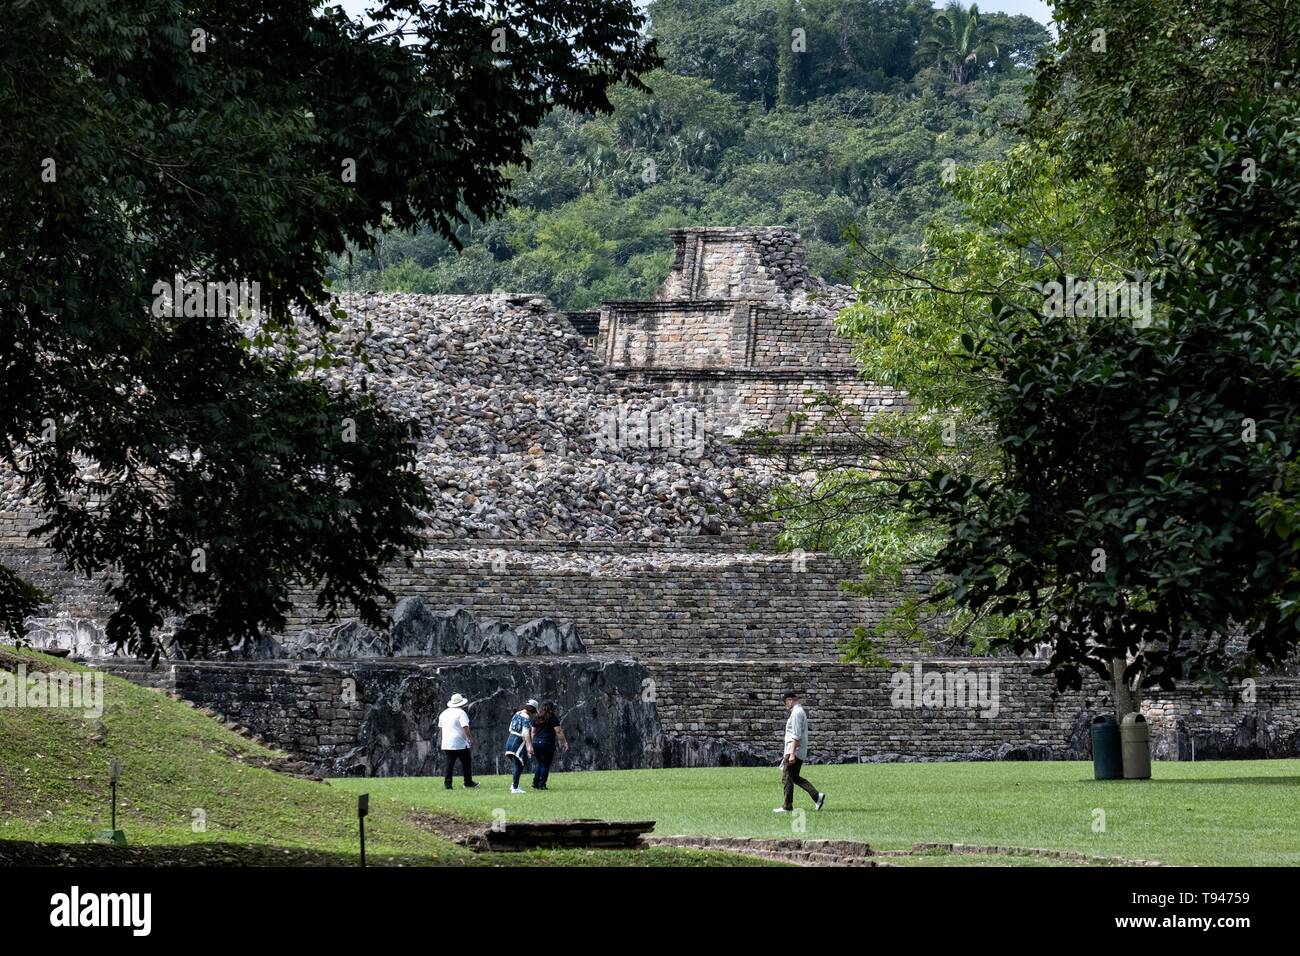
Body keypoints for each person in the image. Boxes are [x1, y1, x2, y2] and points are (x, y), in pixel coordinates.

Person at [774, 690, 825, 813]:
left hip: (794, 751)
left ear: (790, 700)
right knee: (794, 777)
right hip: (798, 751)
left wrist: (791, 754)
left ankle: (787, 806)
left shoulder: (796, 713)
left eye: (786, 702)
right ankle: (816, 796)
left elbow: (796, 735)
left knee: (787, 778)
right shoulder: (799, 712)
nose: (786, 705)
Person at [438, 693, 479, 789]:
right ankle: (468, 782)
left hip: (447, 742)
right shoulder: (461, 713)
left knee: (449, 763)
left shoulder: (443, 713)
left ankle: (448, 784)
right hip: (459, 742)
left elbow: (441, 728)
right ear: (461, 703)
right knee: (466, 761)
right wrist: (469, 737)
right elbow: (465, 726)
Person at [530, 700, 569, 790]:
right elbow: (558, 731)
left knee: (540, 763)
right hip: (546, 743)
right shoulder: (552, 718)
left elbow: (533, 732)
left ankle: (535, 782)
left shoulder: (536, 717)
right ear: (551, 708)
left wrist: (533, 742)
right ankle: (541, 784)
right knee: (545, 764)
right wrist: (564, 743)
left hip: (536, 743)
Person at [504, 699, 538, 794]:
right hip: (518, 742)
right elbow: (525, 733)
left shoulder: (517, 714)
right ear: (532, 709)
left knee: (516, 764)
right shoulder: (526, 717)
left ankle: (514, 784)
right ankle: (515, 788)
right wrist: (529, 747)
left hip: (510, 740)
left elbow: (510, 728)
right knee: (519, 765)